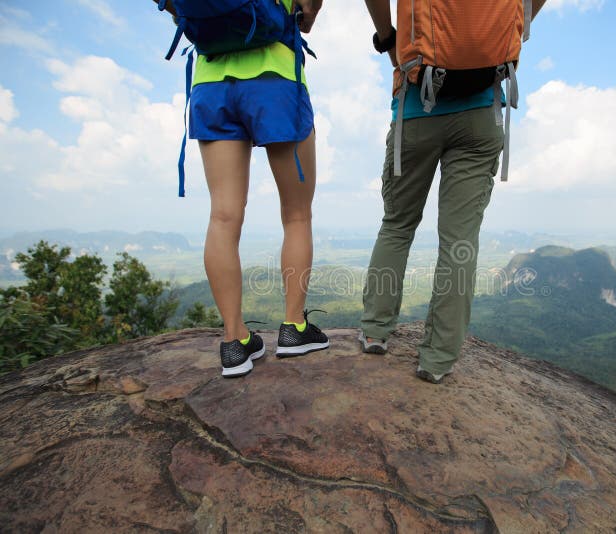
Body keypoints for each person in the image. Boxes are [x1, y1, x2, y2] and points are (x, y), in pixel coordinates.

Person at [359, 0, 544, 384]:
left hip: (415, 107)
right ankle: (438, 359)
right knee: (460, 241)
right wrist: (514, 27)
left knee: (397, 224)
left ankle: (376, 330)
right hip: (481, 110)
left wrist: (387, 36)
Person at [157, 0, 329, 378]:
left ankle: (234, 342)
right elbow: (308, 8)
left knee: (223, 214)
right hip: (275, 76)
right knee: (297, 213)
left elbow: (173, 7)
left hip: (212, 82)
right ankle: (293, 328)